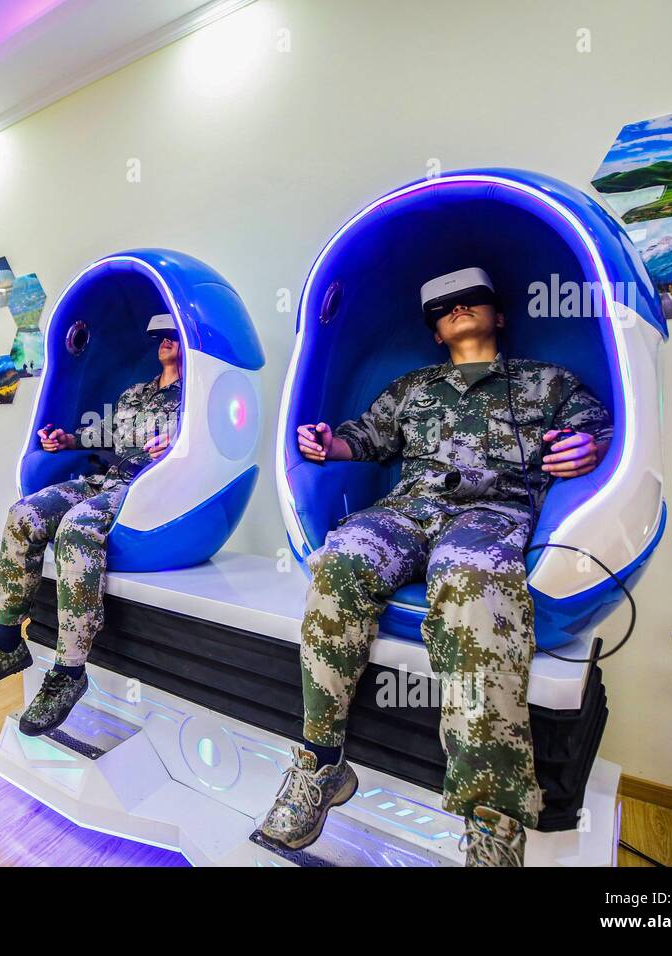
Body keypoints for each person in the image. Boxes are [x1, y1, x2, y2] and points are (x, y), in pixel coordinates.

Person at [260, 267, 612, 866]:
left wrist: (590, 448)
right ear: (434, 332)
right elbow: (363, 440)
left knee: (474, 591)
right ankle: (320, 763)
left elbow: (598, 434)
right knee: (339, 562)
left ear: (499, 315)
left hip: (492, 514)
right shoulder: (413, 387)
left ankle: (493, 820)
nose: (457, 309)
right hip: (408, 509)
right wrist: (326, 443)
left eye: (472, 300)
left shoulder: (546, 382)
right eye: (443, 307)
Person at [0, 314, 184, 736]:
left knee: (76, 528)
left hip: (145, 491)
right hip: (105, 480)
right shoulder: (136, 393)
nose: (165, 342)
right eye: (159, 337)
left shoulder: (195, 402)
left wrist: (179, 444)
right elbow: (107, 436)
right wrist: (68, 441)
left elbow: (206, 450)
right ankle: (6, 643)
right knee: (23, 513)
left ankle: (69, 671)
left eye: (173, 335)